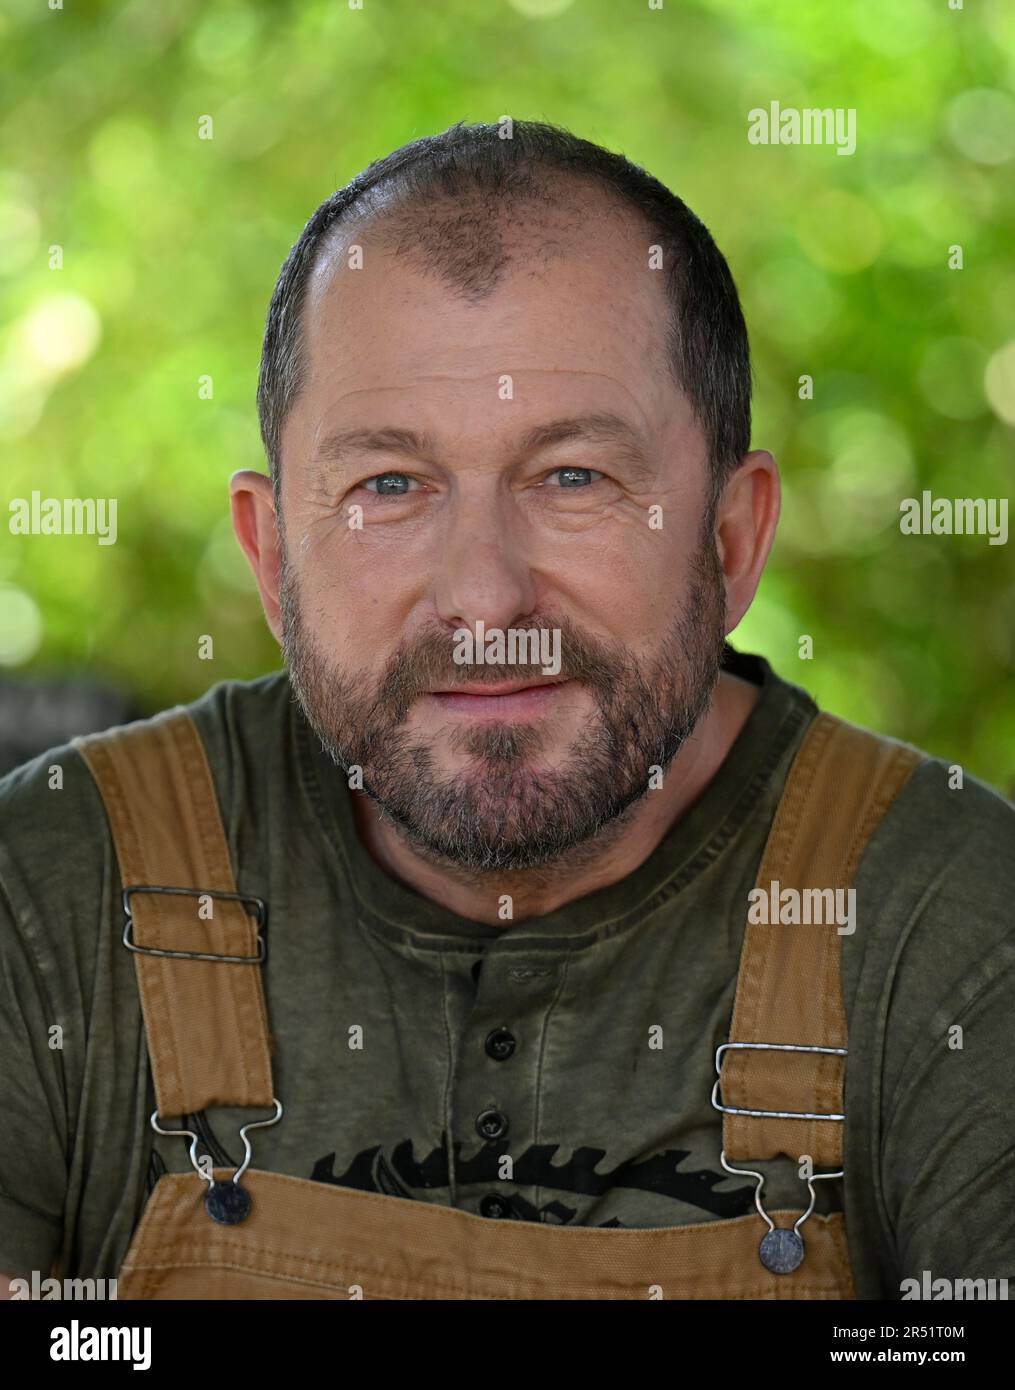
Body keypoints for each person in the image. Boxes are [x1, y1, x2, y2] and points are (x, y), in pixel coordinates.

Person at [1, 120, 1012, 1301]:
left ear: (731, 539)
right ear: (272, 556)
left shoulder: (954, 922)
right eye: (389, 485)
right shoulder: (54, 888)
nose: (485, 598)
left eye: (572, 477)